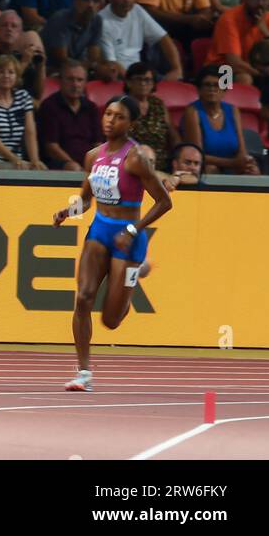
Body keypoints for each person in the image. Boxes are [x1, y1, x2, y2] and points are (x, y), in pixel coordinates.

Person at [51, 94, 173, 392]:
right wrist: (68, 211)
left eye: (118, 117)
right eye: (107, 114)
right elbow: (85, 200)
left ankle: (136, 272)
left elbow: (164, 202)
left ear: (130, 123)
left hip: (128, 239)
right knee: (83, 298)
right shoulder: (93, 156)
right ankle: (83, 372)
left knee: (112, 320)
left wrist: (133, 229)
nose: (110, 121)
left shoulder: (136, 159)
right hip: (100, 231)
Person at [0, 54, 46, 169]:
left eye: (11, 72)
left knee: (41, 171)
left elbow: (30, 132)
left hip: (16, 160)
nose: (6, 76)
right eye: (1, 72)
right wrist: (15, 160)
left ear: (17, 76)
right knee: (20, 170)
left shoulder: (23, 97)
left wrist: (35, 160)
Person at [206, 0, 269, 85]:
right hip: (220, 68)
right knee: (244, 78)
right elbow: (234, 63)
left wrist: (265, 31)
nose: (260, 3)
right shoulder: (229, 19)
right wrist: (262, 75)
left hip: (256, 68)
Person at [38, 59, 103, 171]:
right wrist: (74, 165)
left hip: (87, 162)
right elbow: (51, 147)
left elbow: (98, 143)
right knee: (73, 167)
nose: (75, 84)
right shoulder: (49, 106)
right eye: (70, 79)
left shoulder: (91, 107)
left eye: (79, 80)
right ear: (61, 81)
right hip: (58, 163)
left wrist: (95, 163)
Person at [42, 0, 108, 75]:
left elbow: (94, 57)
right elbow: (62, 60)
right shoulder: (60, 19)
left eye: (95, 0)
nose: (90, 5)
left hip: (76, 68)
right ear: (75, 1)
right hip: (50, 69)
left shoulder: (97, 20)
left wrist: (99, 67)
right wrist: (94, 67)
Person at [124, 61, 180, 172]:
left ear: (153, 84)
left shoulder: (158, 104)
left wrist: (179, 155)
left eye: (147, 80)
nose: (143, 83)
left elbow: (173, 135)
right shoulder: (122, 104)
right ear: (129, 82)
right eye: (139, 79)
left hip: (161, 166)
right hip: (131, 165)